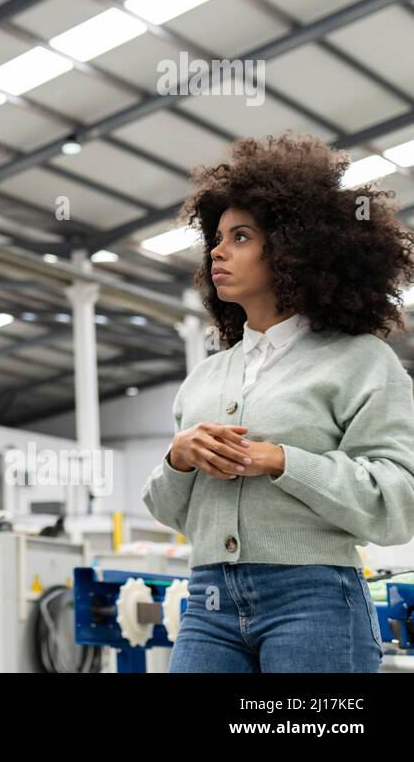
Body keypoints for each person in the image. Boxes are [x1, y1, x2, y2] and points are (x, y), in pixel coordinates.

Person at [143, 133, 414, 672]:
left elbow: (397, 504)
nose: (217, 251)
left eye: (240, 237)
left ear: (294, 250)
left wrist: (284, 461)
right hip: (207, 600)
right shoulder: (205, 378)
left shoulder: (360, 361)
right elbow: (169, 511)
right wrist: (178, 457)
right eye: (217, 238)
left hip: (314, 600)